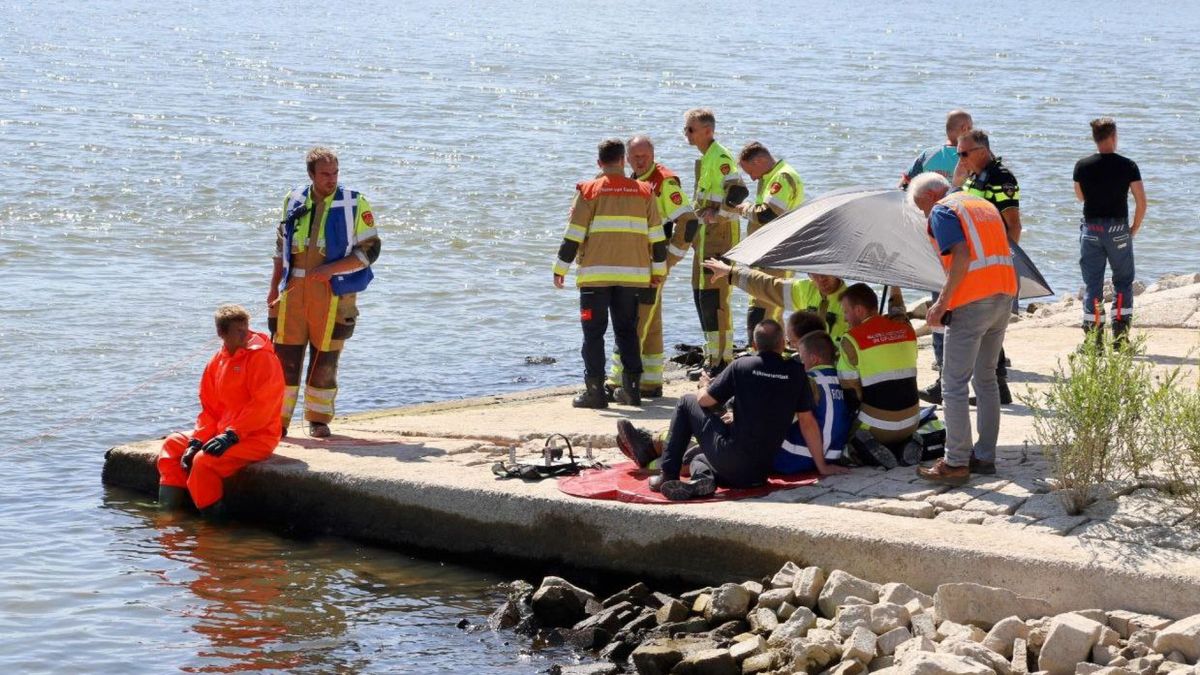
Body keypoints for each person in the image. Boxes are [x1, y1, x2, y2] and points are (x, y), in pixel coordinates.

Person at [616, 312, 845, 475]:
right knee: (718, 424)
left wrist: (705, 389)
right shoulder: (820, 376)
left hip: (784, 455)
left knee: (697, 413)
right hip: (789, 453)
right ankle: (652, 448)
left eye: (796, 348)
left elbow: (783, 416)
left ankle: (658, 459)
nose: (794, 354)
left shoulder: (803, 377)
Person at [908, 172, 1017, 485]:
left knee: (953, 384)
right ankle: (985, 457)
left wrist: (942, 304)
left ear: (931, 196)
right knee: (986, 379)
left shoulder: (943, 210)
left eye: (921, 207)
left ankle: (955, 461)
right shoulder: (981, 204)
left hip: (972, 300)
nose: (924, 215)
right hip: (1004, 294)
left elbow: (962, 256)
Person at [269, 146, 381, 438]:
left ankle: (318, 420)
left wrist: (331, 270)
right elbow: (280, 249)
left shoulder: (355, 203)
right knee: (284, 358)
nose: (331, 179)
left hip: (333, 295)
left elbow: (371, 250)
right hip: (292, 292)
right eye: (324, 174)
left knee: (326, 358)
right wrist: (272, 291)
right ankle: (276, 421)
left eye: (335, 173)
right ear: (311, 175)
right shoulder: (293, 199)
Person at [553, 138, 666, 408]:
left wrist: (560, 269)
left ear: (599, 163)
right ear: (623, 161)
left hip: (595, 278)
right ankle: (632, 391)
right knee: (627, 331)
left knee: (593, 334)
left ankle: (595, 392)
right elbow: (657, 238)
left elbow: (574, 235)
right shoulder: (644, 191)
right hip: (633, 277)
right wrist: (658, 272)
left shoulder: (589, 190)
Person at [158, 305, 286, 517]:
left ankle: (213, 527)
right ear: (221, 333)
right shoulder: (216, 362)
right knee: (172, 444)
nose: (246, 334)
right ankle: (167, 515)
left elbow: (264, 405)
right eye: (239, 330)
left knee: (203, 462)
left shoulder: (262, 358)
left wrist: (233, 434)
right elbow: (210, 409)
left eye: (246, 328)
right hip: (224, 432)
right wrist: (197, 440)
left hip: (258, 436)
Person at [921, 128, 1018, 405]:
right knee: (984, 325)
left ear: (983, 151)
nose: (960, 159)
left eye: (964, 154)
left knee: (982, 323)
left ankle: (993, 384)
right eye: (957, 154)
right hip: (972, 259)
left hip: (987, 259)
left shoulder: (1001, 178)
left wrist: (1006, 259)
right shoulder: (973, 177)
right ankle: (959, 380)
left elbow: (1013, 223)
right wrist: (958, 180)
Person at [607, 135, 700, 400]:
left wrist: (670, 258)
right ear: (626, 158)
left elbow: (689, 221)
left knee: (633, 321)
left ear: (653, 155)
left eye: (644, 156)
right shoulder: (636, 180)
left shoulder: (663, 182)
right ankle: (650, 382)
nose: (639, 161)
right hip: (641, 264)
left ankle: (622, 381)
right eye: (635, 157)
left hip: (651, 265)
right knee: (650, 322)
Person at [900, 109, 973, 378]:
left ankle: (942, 360)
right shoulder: (969, 155)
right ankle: (975, 360)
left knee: (938, 294)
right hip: (963, 233)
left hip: (929, 234)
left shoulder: (927, 155)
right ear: (964, 127)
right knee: (966, 295)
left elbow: (903, 186)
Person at [684, 108, 749, 376]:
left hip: (719, 238)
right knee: (701, 297)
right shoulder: (706, 157)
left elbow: (738, 193)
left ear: (707, 131)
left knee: (715, 298)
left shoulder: (720, 156)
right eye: (686, 129)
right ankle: (712, 358)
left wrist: (716, 214)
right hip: (704, 238)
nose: (686, 134)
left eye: (690, 129)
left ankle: (722, 361)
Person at [1074, 117, 1146, 348]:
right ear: (1114, 137)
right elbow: (1141, 201)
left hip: (1091, 229)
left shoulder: (1082, 166)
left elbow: (1080, 197)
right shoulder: (1128, 165)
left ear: (1095, 139)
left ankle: (1094, 342)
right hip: (1118, 229)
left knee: (1092, 284)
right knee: (1123, 281)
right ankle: (1120, 338)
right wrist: (1134, 227)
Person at [836, 283, 921, 468]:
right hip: (912, 421)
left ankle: (863, 449)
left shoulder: (851, 339)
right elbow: (898, 310)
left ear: (858, 310)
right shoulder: (906, 328)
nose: (844, 318)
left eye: (846, 312)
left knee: (845, 431)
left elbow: (850, 391)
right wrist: (894, 285)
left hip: (878, 426)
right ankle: (905, 443)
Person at [737, 141, 805, 346]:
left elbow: (767, 213)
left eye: (751, 171)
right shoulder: (770, 177)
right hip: (765, 254)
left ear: (759, 160)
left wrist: (745, 209)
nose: (752, 177)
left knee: (763, 313)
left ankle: (763, 358)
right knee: (767, 310)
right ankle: (772, 355)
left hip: (777, 255)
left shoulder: (782, 177)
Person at [702, 258, 851, 347]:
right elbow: (768, 286)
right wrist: (730, 272)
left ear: (836, 270)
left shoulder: (852, 301)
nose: (821, 279)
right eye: (814, 273)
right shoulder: (806, 289)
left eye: (825, 272)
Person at [774, 330, 853, 474]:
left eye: (802, 358)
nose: (800, 362)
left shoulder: (808, 380)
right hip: (833, 453)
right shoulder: (843, 379)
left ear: (814, 359)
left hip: (794, 457)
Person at [898, 109, 974, 189]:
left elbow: (904, 184)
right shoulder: (973, 157)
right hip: (957, 200)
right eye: (971, 129)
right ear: (964, 129)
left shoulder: (927, 154)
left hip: (930, 200)